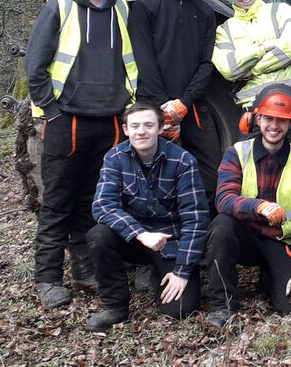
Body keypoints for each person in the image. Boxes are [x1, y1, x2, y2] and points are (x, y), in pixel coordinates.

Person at [24, 0, 137, 309]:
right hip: (67, 121)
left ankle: (85, 269)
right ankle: (47, 278)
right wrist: (49, 112)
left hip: (110, 121)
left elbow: (130, 63)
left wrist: (130, 107)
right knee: (57, 202)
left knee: (92, 202)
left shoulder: (121, 9)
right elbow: (35, 66)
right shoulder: (59, 7)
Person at [84, 102, 208, 331]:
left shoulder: (183, 161)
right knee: (98, 235)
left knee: (180, 311)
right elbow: (102, 205)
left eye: (149, 125)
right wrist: (140, 234)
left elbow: (196, 219)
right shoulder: (115, 158)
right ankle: (114, 306)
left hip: (171, 242)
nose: (141, 131)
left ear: (160, 128)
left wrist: (182, 272)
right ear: (126, 130)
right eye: (135, 126)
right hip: (135, 239)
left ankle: (161, 273)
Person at [203, 84, 291, 325]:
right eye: (268, 118)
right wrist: (258, 207)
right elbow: (223, 199)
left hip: (279, 241)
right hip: (244, 237)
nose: (274, 126)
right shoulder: (236, 153)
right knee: (222, 225)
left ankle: (270, 279)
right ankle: (222, 305)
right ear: (254, 118)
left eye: (282, 120)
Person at [127, 0, 220, 202]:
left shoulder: (205, 10)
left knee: (210, 175)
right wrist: (164, 109)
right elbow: (143, 60)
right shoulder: (145, 7)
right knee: (154, 178)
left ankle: (204, 233)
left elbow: (207, 62)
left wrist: (184, 102)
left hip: (192, 107)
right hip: (155, 108)